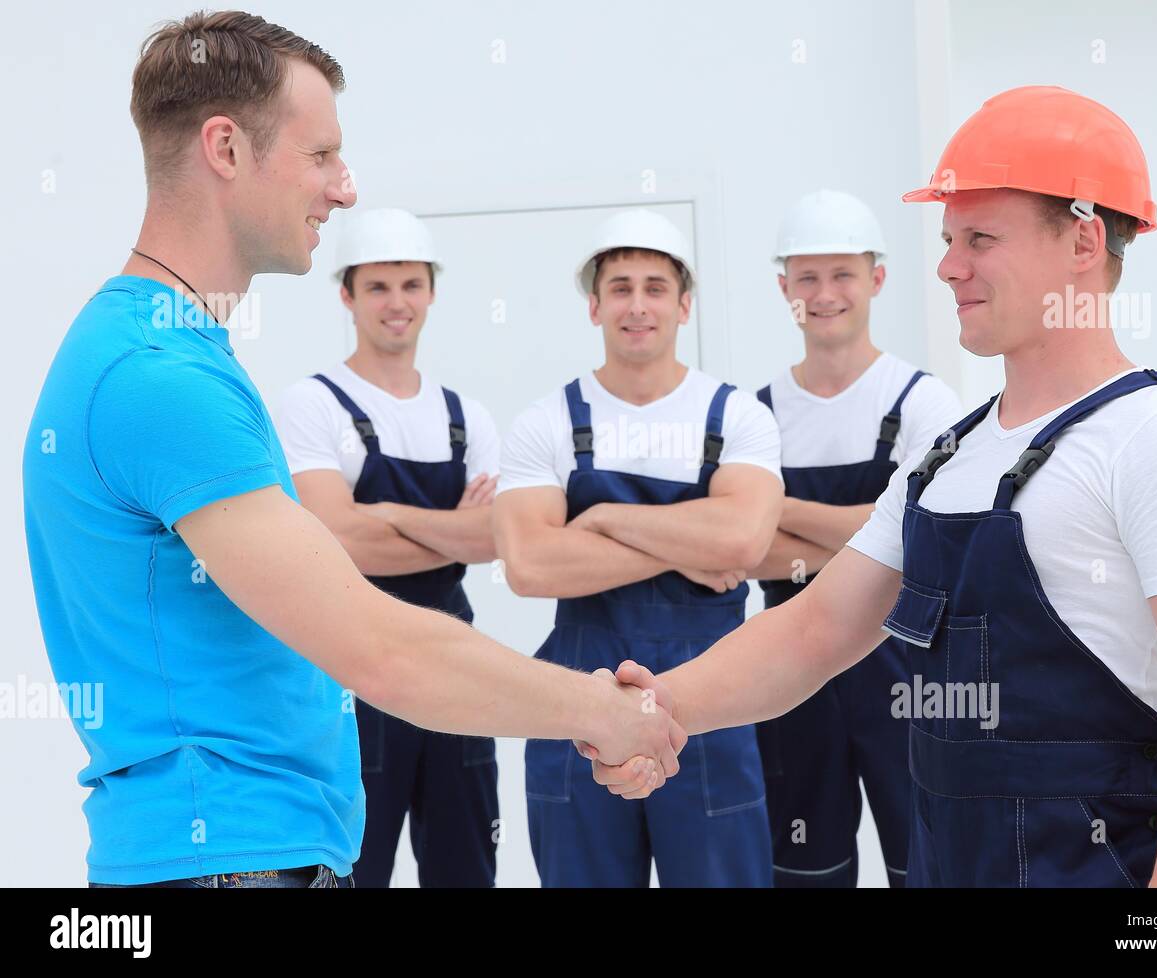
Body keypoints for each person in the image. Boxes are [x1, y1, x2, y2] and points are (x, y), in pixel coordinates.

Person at [22, 10, 681, 889]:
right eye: (321, 154)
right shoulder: (157, 376)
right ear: (226, 149)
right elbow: (382, 649)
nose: (345, 188)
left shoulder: (172, 355)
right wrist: (600, 710)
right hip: (223, 860)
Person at [590, 86, 1157, 888]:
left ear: (1084, 243)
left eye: (981, 238)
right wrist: (655, 709)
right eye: (950, 238)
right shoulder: (945, 459)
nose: (950, 266)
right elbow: (814, 631)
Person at [493, 209, 784, 886]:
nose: (637, 304)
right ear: (594, 305)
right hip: (576, 695)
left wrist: (596, 520)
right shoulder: (548, 422)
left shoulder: (736, 415)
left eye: (655, 287)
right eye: (619, 287)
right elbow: (530, 566)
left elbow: (744, 537)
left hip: (713, 701)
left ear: (684, 304)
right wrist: (691, 541)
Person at [276, 208, 501, 887]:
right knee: (352, 869)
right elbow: (334, 540)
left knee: (466, 868)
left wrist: (381, 517)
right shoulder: (312, 404)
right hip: (352, 671)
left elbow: (496, 540)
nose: (396, 303)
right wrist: (449, 529)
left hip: (456, 666)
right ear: (346, 294)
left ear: (431, 291)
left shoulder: (467, 416)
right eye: (378, 287)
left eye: (410, 284)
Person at [750, 189, 962, 887]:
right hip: (789, 665)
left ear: (876, 278)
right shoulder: (754, 414)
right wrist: (864, 522)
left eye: (842, 274)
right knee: (804, 870)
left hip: (901, 665)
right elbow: (743, 547)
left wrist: (778, 508)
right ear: (785, 289)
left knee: (922, 864)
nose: (825, 293)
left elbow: (913, 537)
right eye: (807, 277)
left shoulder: (923, 401)